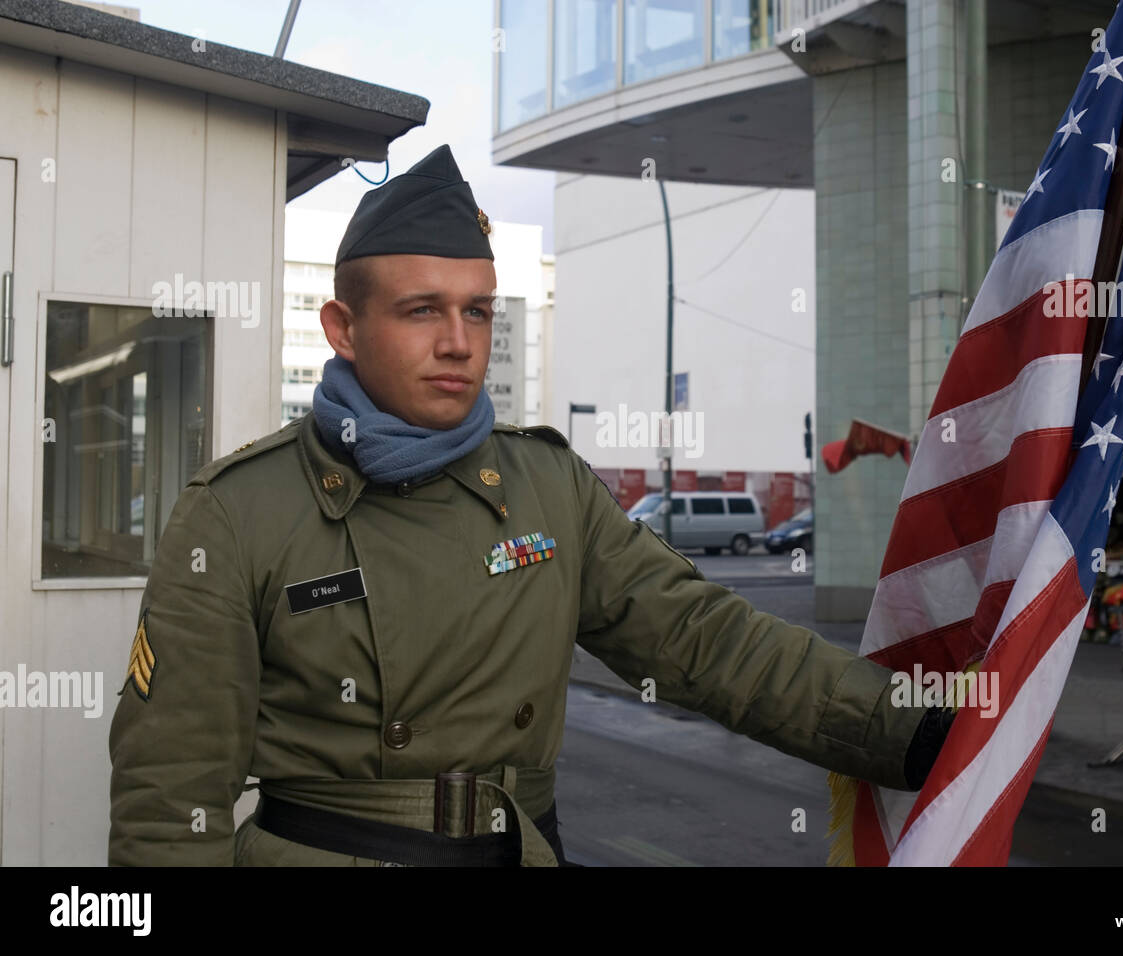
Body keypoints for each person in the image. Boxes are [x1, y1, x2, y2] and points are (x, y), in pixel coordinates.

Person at [108, 145, 952, 867]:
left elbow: (706, 643)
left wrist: (908, 725)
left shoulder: (547, 486)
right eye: (421, 311)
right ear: (341, 327)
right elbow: (168, 799)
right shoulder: (239, 513)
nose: (459, 341)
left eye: (476, 309)